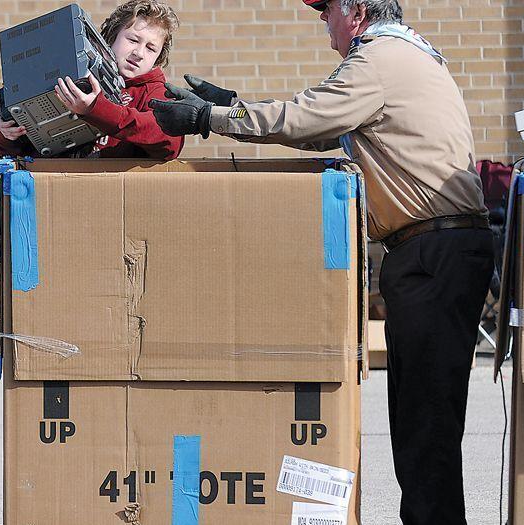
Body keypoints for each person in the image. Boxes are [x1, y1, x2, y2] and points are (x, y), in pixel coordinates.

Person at [149, 1, 493, 523]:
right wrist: (236, 106)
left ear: (355, 10)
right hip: (435, 251)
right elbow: (326, 128)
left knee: (426, 426)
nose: (322, 21)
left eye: (326, 10)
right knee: (420, 422)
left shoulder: (379, 58)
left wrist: (208, 117)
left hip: (433, 253)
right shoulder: (403, 53)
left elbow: (304, 116)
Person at [0, 0, 197, 160]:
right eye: (133, 39)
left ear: (158, 57)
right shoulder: (75, 73)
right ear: (111, 37)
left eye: (151, 48)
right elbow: (18, 156)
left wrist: (96, 110)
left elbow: (169, 143)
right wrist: (7, 133)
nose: (139, 53)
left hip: (111, 197)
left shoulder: (156, 92)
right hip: (57, 195)